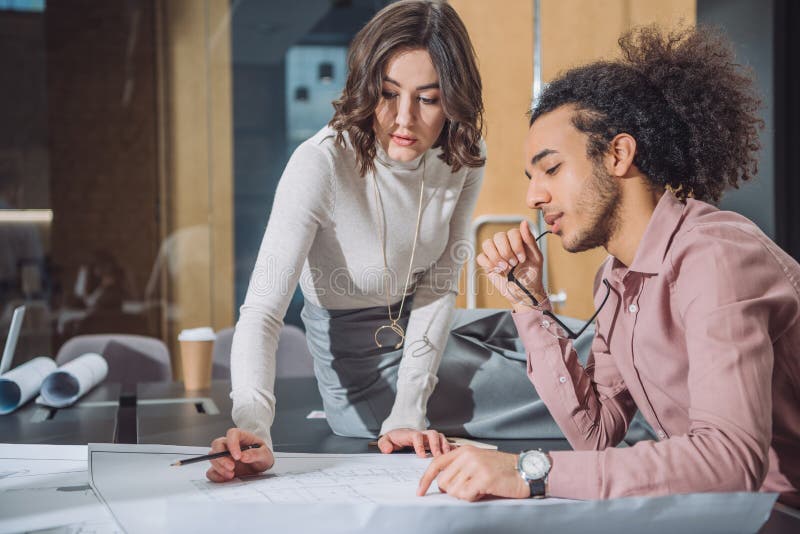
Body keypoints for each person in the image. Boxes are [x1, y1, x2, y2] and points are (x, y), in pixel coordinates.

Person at [417, 25, 800, 506]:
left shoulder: (714, 258)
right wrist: (530, 305)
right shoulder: (615, 280)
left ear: (618, 154)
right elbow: (596, 434)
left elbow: (730, 461)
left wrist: (528, 471)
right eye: (531, 178)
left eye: (551, 169)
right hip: (722, 511)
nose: (535, 197)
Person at [207, 1, 583, 483]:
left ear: (452, 98)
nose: (403, 119)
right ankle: (692, 441)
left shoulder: (463, 154)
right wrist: (252, 425)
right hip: (364, 374)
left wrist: (413, 407)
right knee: (568, 382)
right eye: (388, 93)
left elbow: (438, 287)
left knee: (582, 341)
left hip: (424, 335)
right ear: (366, 87)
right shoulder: (320, 164)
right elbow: (261, 312)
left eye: (428, 99)